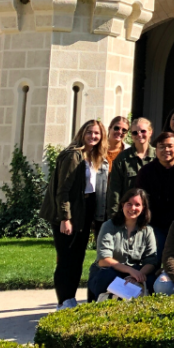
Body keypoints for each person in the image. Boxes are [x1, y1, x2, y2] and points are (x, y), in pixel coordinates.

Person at [41, 120, 108, 310]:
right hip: (69, 211)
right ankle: (64, 300)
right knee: (66, 258)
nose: (93, 136)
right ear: (82, 133)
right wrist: (65, 218)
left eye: (97, 134)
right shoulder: (73, 156)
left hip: (85, 209)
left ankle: (71, 298)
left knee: (77, 257)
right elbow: (63, 191)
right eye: (89, 132)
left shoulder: (94, 157)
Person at [88, 188, 157, 302]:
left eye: (137, 205)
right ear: (122, 205)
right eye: (129, 204)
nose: (133, 208)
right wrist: (130, 271)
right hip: (111, 270)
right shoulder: (109, 226)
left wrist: (138, 275)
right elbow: (104, 260)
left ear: (143, 208)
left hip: (136, 271)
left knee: (152, 280)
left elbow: (151, 261)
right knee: (106, 275)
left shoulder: (147, 230)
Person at [106, 118, 155, 220]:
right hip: (128, 215)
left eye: (143, 131)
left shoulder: (158, 156)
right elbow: (114, 191)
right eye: (135, 132)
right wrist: (114, 217)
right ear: (131, 135)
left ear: (150, 132)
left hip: (153, 216)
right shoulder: (122, 158)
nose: (139, 135)